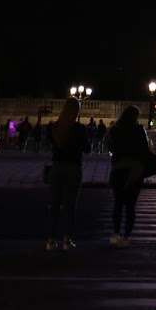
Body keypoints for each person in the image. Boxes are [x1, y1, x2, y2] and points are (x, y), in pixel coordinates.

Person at [106, 105, 156, 247]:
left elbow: (111, 148)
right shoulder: (139, 130)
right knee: (130, 206)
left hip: (118, 170)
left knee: (118, 204)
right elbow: (144, 150)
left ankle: (115, 233)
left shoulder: (115, 130)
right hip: (134, 170)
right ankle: (127, 236)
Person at [46, 96, 89, 251]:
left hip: (57, 167)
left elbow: (50, 145)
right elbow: (87, 148)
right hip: (73, 167)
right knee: (70, 205)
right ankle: (67, 240)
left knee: (54, 205)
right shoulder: (79, 129)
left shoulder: (54, 127)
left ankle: (50, 240)